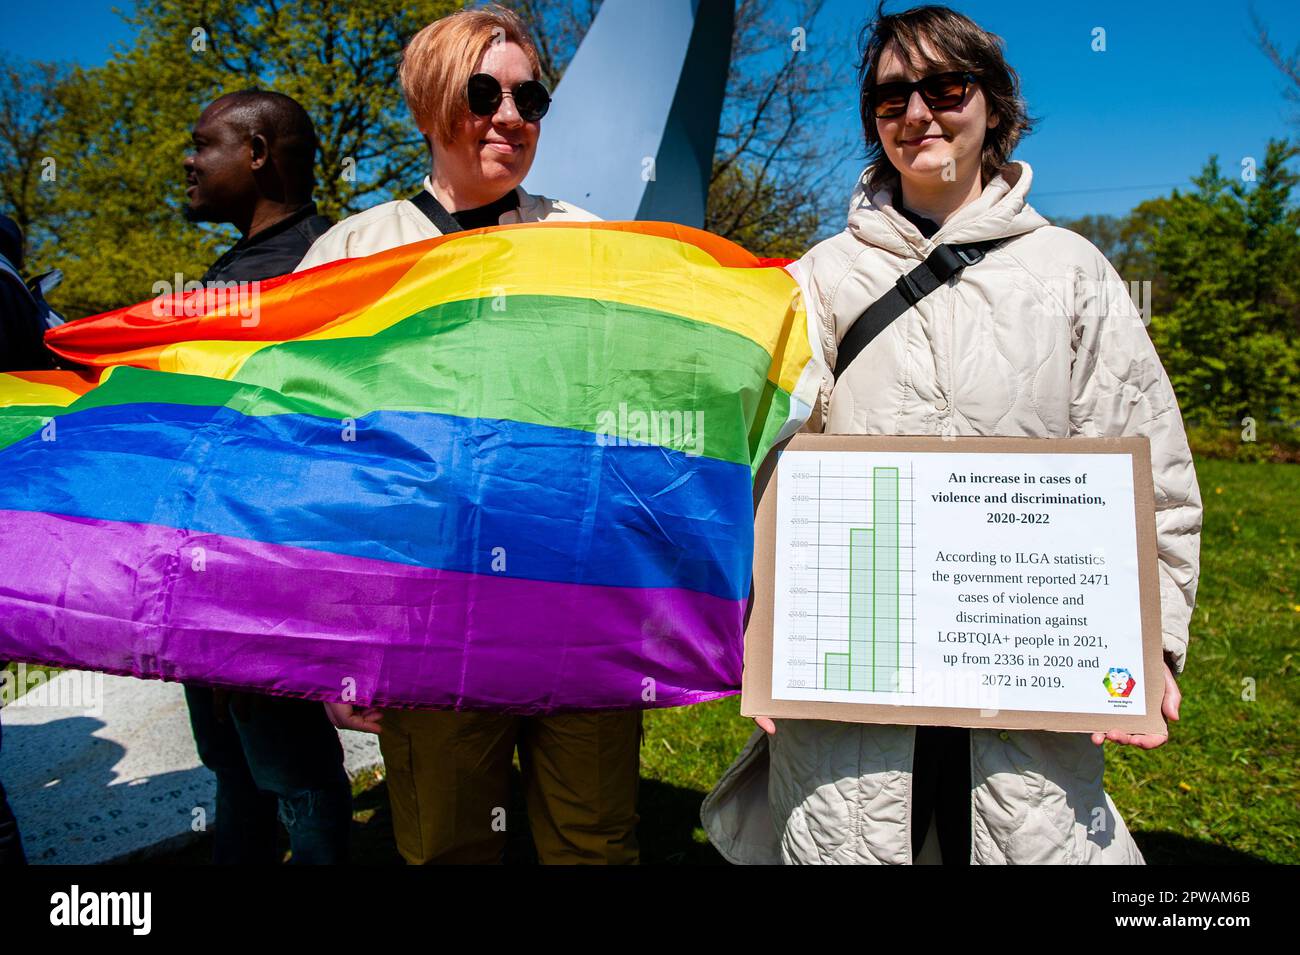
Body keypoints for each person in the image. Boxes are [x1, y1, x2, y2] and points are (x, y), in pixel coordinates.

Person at [702, 3, 1203, 865]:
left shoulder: (1072, 272)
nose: (918, 113)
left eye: (946, 86)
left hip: (1028, 673)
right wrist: (761, 621)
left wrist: (1151, 637)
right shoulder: (817, 278)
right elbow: (760, 457)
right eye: (891, 98)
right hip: (850, 702)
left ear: (994, 106)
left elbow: (1150, 464)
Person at [305, 6, 642, 866]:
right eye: (482, 91)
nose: (510, 114)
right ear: (427, 103)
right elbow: (317, 468)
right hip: (425, 618)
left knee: (593, 843)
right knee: (451, 845)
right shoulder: (353, 253)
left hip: (580, 605)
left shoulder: (594, 247)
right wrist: (338, 641)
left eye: (530, 96)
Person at [180, 89, 351, 864]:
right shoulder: (234, 266)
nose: (188, 160)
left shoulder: (320, 267)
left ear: (255, 154)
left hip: (264, 569)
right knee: (233, 762)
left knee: (295, 774)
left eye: (202, 143)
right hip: (206, 566)